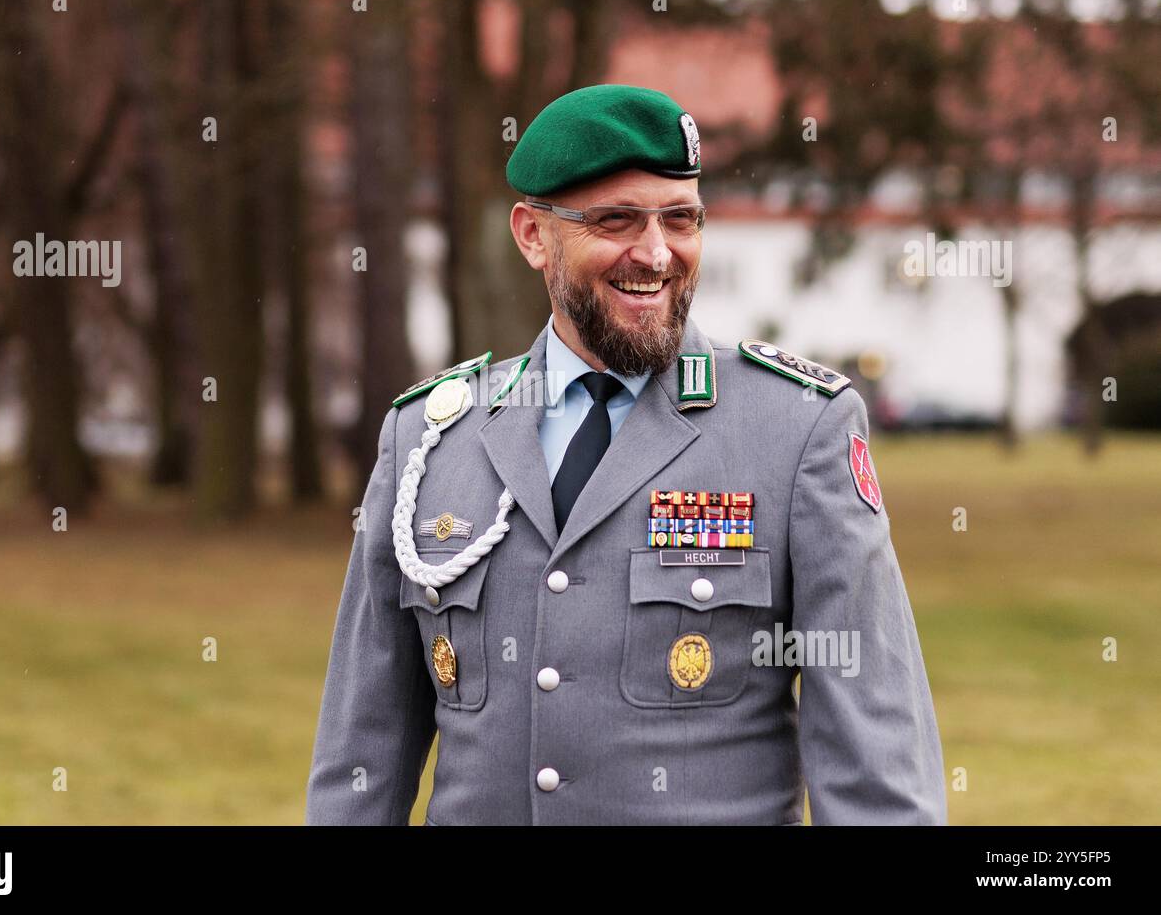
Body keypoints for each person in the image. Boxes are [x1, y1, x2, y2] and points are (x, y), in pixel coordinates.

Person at [306, 84, 947, 825]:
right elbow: (363, 750)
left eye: (681, 219)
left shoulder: (798, 428)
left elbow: (877, 761)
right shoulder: (428, 434)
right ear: (533, 234)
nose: (654, 252)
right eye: (615, 220)